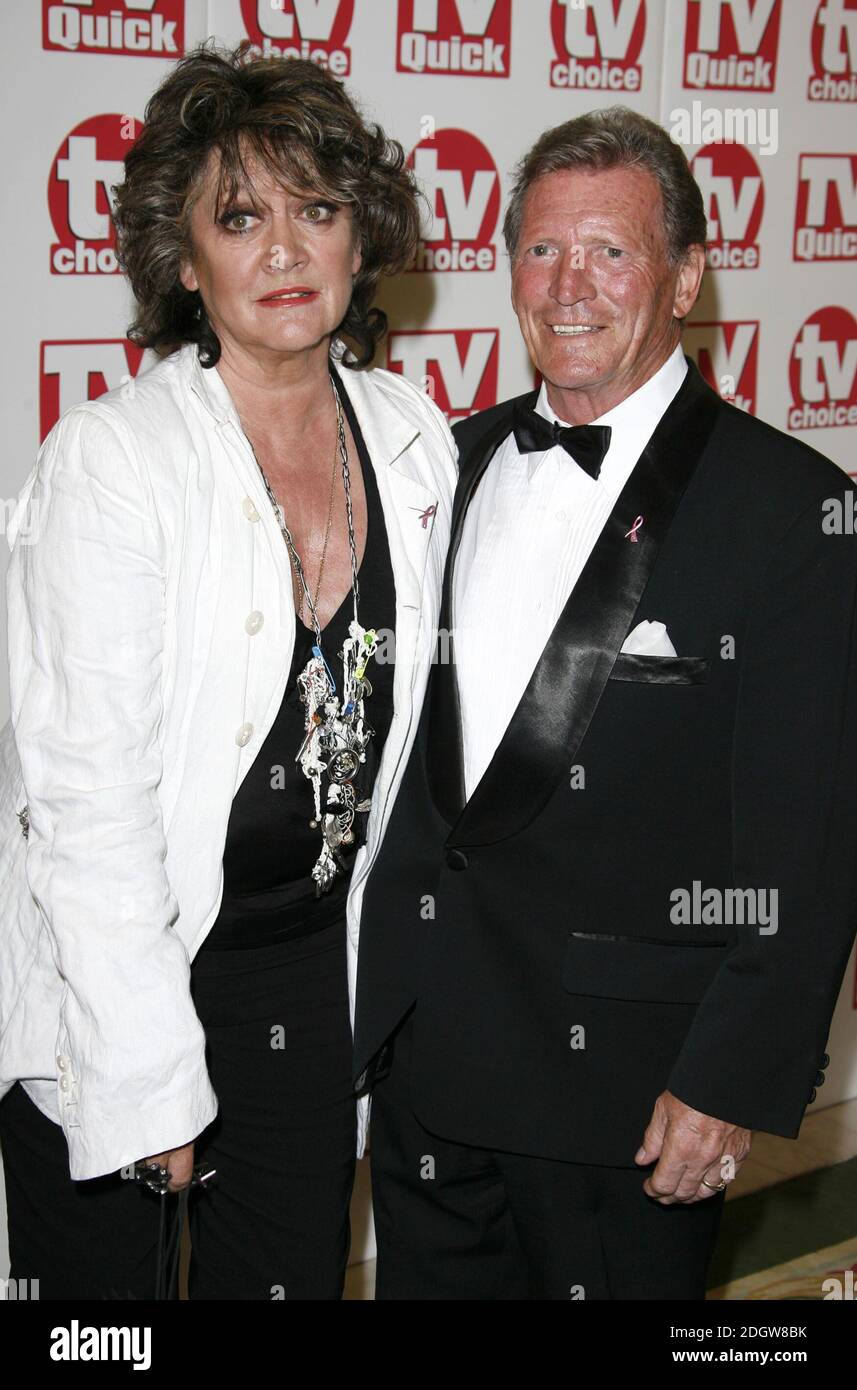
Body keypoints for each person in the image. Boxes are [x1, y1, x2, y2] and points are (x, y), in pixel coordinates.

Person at [354, 106, 857, 1300]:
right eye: (539, 249)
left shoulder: (792, 511)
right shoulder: (442, 468)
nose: (567, 284)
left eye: (610, 251)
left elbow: (812, 836)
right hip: (425, 1069)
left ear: (685, 274)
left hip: (627, 1098)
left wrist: (728, 1080)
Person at [0, 41, 455, 1300]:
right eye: (240, 217)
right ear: (182, 257)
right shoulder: (113, 459)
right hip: (128, 976)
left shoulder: (413, 438)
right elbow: (82, 808)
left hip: (310, 973)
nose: (284, 252)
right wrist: (148, 1078)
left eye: (317, 210)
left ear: (361, 238)